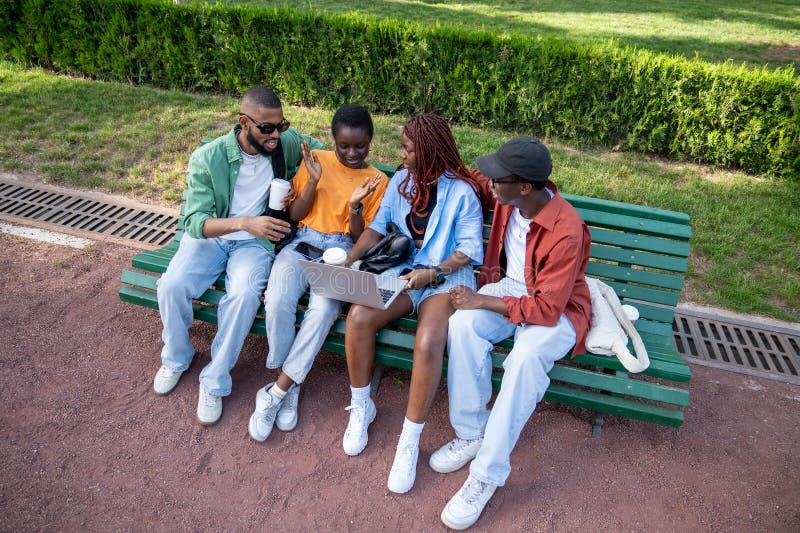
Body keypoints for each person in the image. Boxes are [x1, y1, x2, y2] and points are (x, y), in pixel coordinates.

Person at [431, 136, 592, 530]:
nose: (489, 180)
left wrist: (481, 300)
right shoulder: (510, 196)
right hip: (514, 288)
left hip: (558, 308)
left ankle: (486, 475)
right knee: (463, 324)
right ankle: (472, 432)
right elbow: (467, 173)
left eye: (496, 177)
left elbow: (546, 308)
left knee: (524, 359)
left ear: (523, 187)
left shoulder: (566, 230)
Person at [152, 86, 324, 426]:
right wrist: (245, 222)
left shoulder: (284, 144)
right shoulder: (209, 157)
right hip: (214, 237)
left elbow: (324, 151)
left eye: (282, 125)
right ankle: (176, 357)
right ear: (244, 122)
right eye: (267, 128)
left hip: (254, 245)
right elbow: (195, 222)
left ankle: (214, 381)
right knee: (170, 286)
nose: (276, 135)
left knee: (244, 296)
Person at [340, 114, 485, 495]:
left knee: (427, 341)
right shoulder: (402, 183)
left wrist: (434, 271)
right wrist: (349, 262)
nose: (401, 155)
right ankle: (361, 406)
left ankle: (409, 440)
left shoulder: (461, 194)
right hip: (404, 272)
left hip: (446, 279)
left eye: (407, 148)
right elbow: (375, 229)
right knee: (358, 318)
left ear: (430, 151)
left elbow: (469, 250)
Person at [248, 104, 388, 442]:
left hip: (341, 251)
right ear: (333, 140)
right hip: (303, 242)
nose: (352, 153)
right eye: (344, 145)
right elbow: (294, 215)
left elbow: (361, 239)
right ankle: (290, 381)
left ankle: (278, 391)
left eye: (360, 146)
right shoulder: (318, 161)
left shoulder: (377, 181)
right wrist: (312, 181)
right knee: (279, 297)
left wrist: (355, 205)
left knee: (323, 309)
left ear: (370, 141)